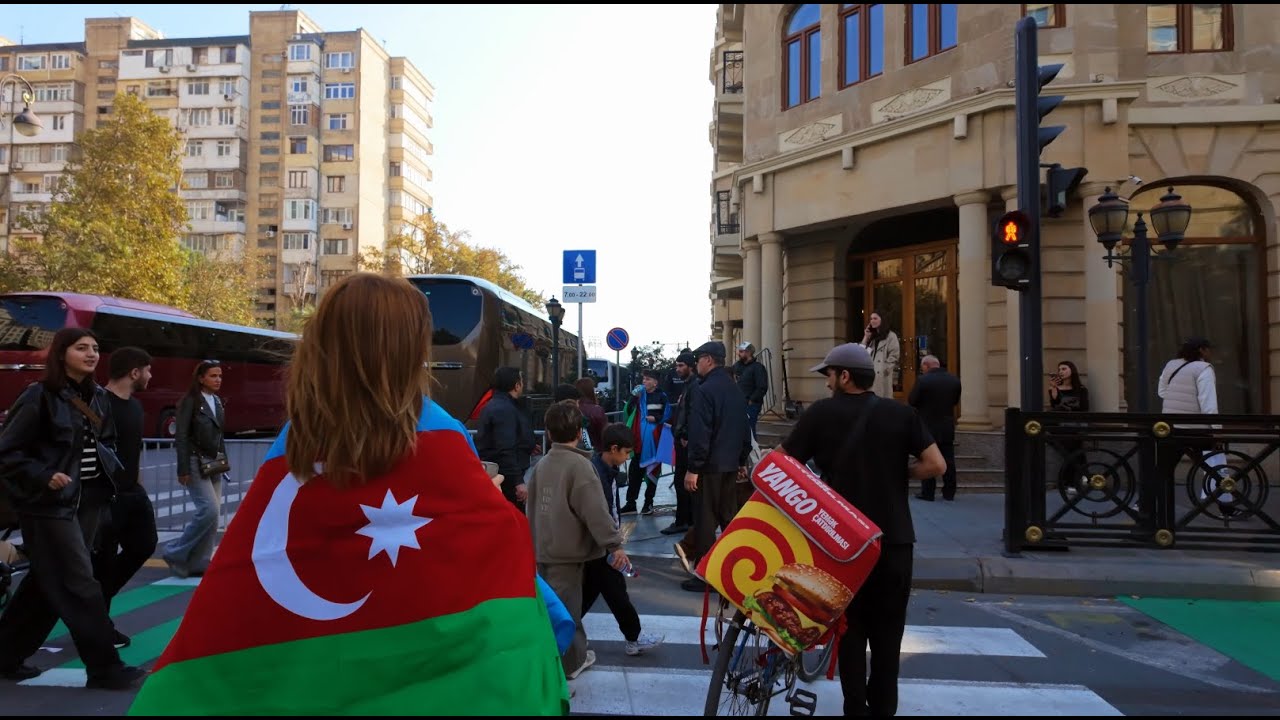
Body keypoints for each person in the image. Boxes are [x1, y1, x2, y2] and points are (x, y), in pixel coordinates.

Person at [129, 272, 568, 715]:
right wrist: (485, 503)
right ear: (410, 348)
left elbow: (256, 561)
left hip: (318, 670)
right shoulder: (441, 433)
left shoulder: (296, 437)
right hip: (423, 662)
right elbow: (500, 544)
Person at [778, 342, 945, 716]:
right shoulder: (901, 414)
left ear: (845, 376)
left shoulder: (820, 415)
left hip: (842, 545)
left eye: (830, 376)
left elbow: (782, 466)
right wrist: (899, 474)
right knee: (888, 640)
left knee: (850, 635)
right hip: (894, 543)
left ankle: (855, 708)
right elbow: (936, 465)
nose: (827, 384)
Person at [0, 328, 145, 689]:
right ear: (62, 353)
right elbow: (7, 451)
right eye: (81, 348)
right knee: (80, 582)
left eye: (96, 348)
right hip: (49, 506)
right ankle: (104, 668)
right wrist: (44, 475)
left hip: (87, 503)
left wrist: (109, 479)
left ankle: (4, 655)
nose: (92, 354)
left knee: (46, 583)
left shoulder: (93, 397)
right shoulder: (40, 396)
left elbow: (103, 441)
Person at [526, 400, 632, 681]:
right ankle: (567, 666)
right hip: (569, 554)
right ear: (578, 432)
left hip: (542, 550)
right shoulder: (581, 467)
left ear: (548, 433)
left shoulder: (542, 465)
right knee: (566, 614)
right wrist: (614, 543)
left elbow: (531, 507)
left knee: (553, 609)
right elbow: (595, 512)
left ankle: (570, 657)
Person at [92, 346, 159, 649]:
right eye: (147, 370)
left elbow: (133, 450)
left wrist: (139, 484)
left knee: (144, 544)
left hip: (134, 493)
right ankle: (99, 625)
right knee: (102, 561)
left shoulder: (134, 406)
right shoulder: (99, 404)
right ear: (135, 372)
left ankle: (98, 599)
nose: (150, 376)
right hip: (106, 497)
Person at [582, 422, 664, 657]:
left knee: (593, 593)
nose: (627, 458)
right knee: (615, 593)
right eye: (626, 453)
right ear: (614, 448)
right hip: (601, 545)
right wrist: (614, 545)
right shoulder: (596, 473)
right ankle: (633, 638)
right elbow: (599, 513)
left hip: (602, 544)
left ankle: (559, 632)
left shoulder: (606, 471)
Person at [680, 341, 752, 593]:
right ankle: (738, 569)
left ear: (708, 360)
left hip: (709, 466)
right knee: (728, 518)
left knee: (705, 520)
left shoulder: (704, 389)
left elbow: (701, 432)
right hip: (730, 464)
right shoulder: (735, 390)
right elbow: (745, 428)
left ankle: (704, 574)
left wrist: (693, 468)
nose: (696, 364)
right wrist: (742, 459)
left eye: (699, 359)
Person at [162, 360, 229, 579]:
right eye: (213, 376)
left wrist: (223, 462)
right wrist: (183, 468)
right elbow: (181, 436)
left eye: (219, 376)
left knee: (214, 515)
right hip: (194, 460)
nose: (218, 380)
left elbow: (218, 435)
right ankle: (175, 552)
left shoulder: (217, 401)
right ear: (201, 378)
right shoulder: (190, 401)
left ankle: (200, 561)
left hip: (214, 461)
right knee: (208, 509)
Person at [1157, 337, 1226, 513]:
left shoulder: (1171, 365)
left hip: (1171, 427)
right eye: (1209, 349)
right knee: (1215, 463)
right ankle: (1226, 505)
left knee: (1163, 468)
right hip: (1195, 429)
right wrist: (1217, 431)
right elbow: (1208, 403)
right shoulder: (1204, 369)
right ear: (1202, 350)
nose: (1210, 353)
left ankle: (1146, 503)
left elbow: (1162, 392)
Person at [476, 366, 536, 509]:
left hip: (500, 473)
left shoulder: (495, 405)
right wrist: (518, 482)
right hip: (506, 478)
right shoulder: (505, 409)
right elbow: (505, 447)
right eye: (522, 381)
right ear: (516, 385)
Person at [908, 355, 961, 502]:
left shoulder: (923, 381)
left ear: (926, 366)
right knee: (949, 460)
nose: (922, 370)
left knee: (927, 458)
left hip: (927, 426)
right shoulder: (954, 380)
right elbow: (955, 401)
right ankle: (949, 492)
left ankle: (928, 492)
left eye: (922, 367)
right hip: (946, 427)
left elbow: (912, 400)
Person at [620, 369, 670, 516]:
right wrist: (633, 398)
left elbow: (667, 414)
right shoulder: (638, 397)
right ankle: (631, 503)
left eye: (648, 379)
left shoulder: (661, 396)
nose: (644, 382)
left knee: (652, 474)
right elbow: (627, 411)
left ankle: (648, 503)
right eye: (643, 379)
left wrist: (657, 419)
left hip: (654, 443)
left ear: (655, 382)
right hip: (638, 443)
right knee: (634, 474)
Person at [661, 351, 698, 535]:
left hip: (686, 442)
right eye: (676, 366)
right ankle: (686, 519)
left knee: (682, 481)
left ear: (691, 366)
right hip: (682, 439)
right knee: (680, 482)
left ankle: (684, 520)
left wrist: (685, 434)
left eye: (681, 366)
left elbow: (693, 413)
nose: (677, 369)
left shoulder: (694, 386)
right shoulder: (688, 385)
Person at [1047, 360, 1091, 494]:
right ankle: (1081, 478)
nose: (1061, 371)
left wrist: (1069, 410)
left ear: (1072, 370)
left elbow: (1084, 408)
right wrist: (1054, 389)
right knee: (1074, 451)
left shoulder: (1081, 390)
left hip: (1076, 423)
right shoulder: (1055, 389)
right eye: (1059, 369)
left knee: (1072, 450)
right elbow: (1054, 406)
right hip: (1061, 424)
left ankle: (1070, 481)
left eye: (1064, 369)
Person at [860, 310, 900, 399]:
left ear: (882, 320)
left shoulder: (891, 336)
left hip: (881, 378)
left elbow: (894, 356)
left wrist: (884, 370)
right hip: (869, 377)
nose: (872, 321)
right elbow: (861, 354)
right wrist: (866, 337)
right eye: (871, 319)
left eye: (875, 318)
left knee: (882, 403)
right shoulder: (871, 336)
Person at [732, 342, 769, 436]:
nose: (738, 353)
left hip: (751, 405)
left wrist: (751, 400)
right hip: (737, 404)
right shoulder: (736, 366)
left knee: (749, 431)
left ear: (748, 352)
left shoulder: (758, 368)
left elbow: (762, 386)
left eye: (741, 351)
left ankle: (753, 450)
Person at [575, 377, 608, 451]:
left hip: (576, 451)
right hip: (596, 451)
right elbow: (604, 435)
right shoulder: (597, 410)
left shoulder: (572, 409)